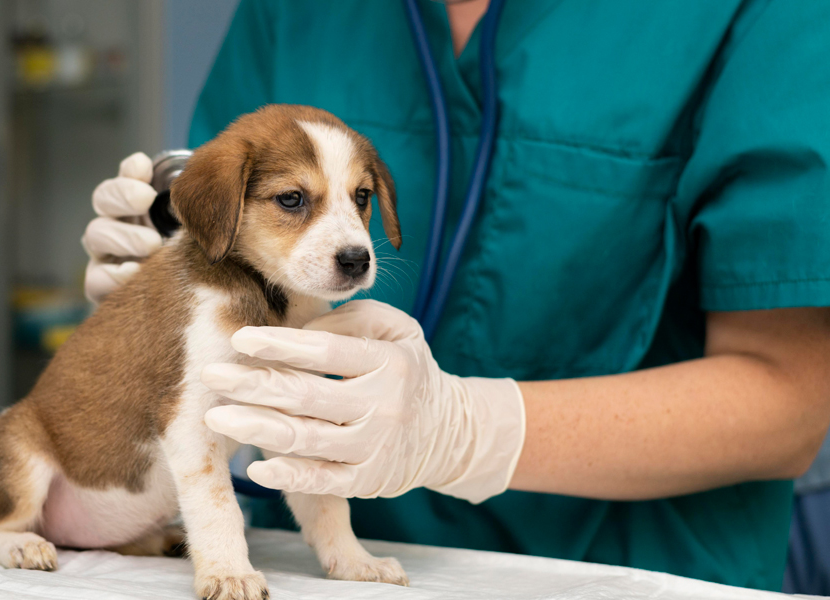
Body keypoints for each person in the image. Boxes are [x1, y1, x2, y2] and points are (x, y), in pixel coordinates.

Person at [81, 0, 830, 591]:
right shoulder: (293, 8)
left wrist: (469, 430)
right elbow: (233, 226)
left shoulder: (753, 13)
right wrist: (168, 284)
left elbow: (791, 399)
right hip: (314, 564)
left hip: (629, 570)